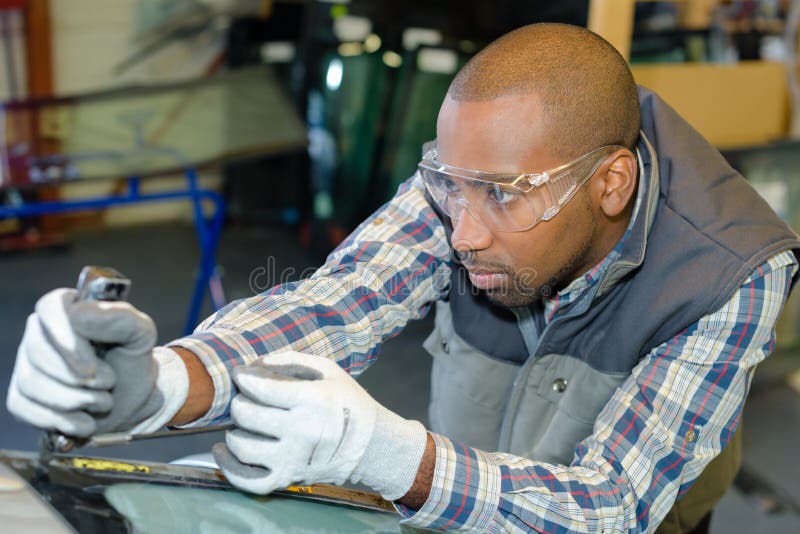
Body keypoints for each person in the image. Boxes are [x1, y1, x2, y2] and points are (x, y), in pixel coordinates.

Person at [7, 23, 799, 533]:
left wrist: (391, 458)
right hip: (465, 493)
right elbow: (332, 305)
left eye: (502, 196)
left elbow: (614, 504)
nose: (465, 230)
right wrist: (163, 385)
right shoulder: (472, 178)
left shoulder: (733, 273)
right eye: (453, 186)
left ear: (612, 185)